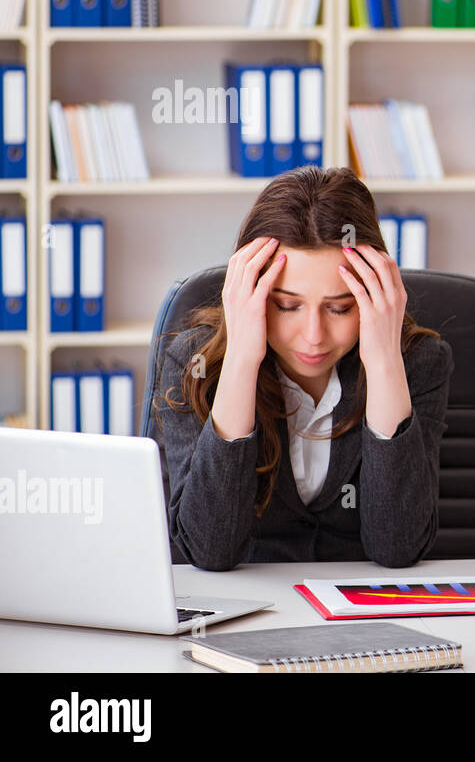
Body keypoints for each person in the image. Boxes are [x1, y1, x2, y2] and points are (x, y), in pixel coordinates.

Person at [154, 166, 453, 570]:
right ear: (250, 292)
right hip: (251, 616)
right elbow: (211, 550)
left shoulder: (418, 362)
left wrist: (383, 362)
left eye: (339, 307)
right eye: (287, 305)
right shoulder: (195, 364)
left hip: (368, 619)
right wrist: (242, 357)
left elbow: (397, 547)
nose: (313, 335)